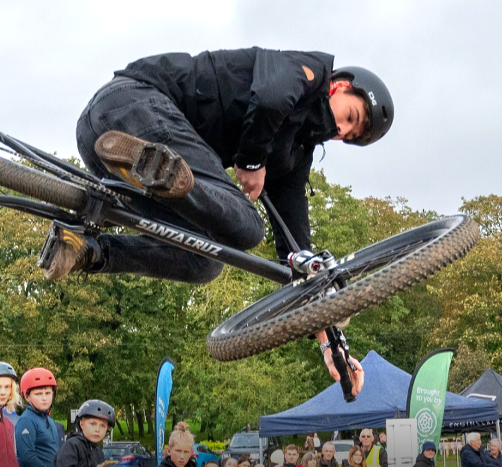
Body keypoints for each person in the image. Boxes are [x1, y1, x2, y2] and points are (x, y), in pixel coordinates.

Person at [42, 51, 394, 395]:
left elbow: (299, 257)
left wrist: (330, 341)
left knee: (205, 259)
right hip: (136, 103)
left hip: (105, 148)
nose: (340, 130)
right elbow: (271, 98)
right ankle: (164, 170)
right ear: (340, 85)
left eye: (349, 134)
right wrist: (252, 161)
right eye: (350, 116)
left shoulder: (292, 156)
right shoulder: (308, 72)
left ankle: (85, 248)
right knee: (247, 227)